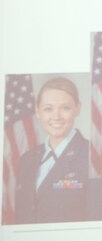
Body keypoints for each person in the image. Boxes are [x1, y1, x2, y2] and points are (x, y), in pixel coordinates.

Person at [14, 77, 90, 224]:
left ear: (78, 108)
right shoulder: (26, 160)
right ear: (38, 111)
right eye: (48, 109)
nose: (56, 117)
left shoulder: (94, 157)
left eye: (65, 108)